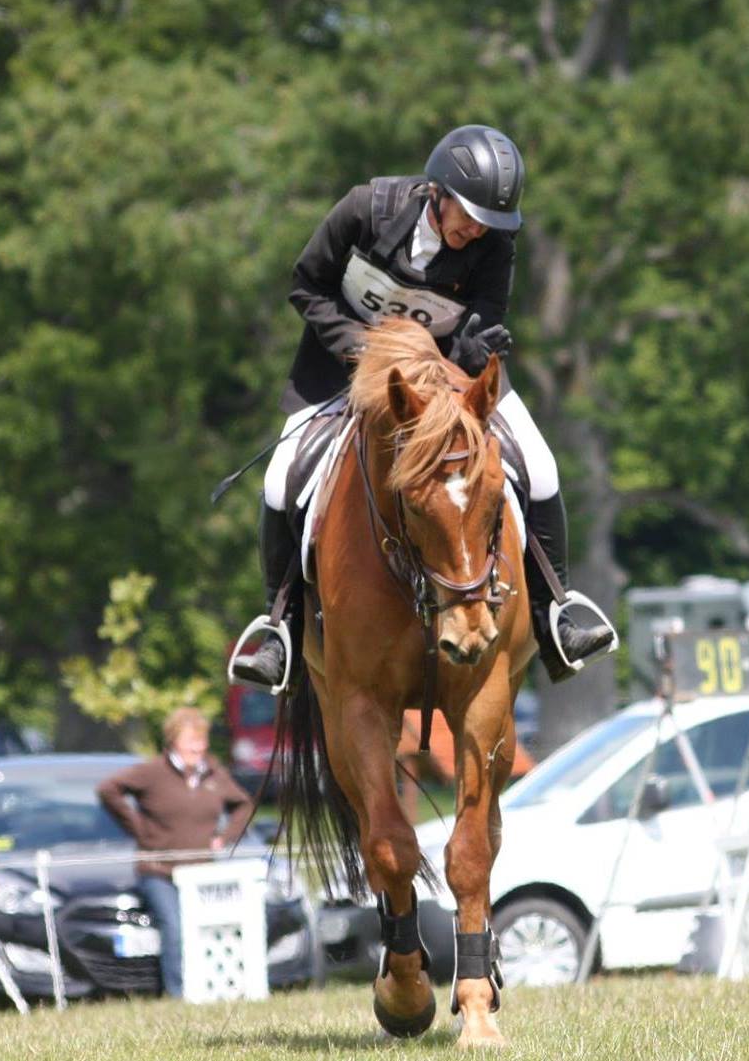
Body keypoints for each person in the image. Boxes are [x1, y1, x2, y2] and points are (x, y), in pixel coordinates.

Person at [231, 123, 616, 690]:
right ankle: (281, 631)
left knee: (540, 467)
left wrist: (478, 346)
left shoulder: (492, 244)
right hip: (343, 371)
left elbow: (480, 320)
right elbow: (306, 285)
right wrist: (360, 347)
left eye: (489, 224)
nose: (476, 231)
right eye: (469, 217)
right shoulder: (365, 209)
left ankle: (553, 613)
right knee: (280, 482)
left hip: (448, 380)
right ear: (437, 194)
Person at [96, 707, 254, 998]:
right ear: (173, 741)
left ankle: (214, 989)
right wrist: (138, 827)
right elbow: (109, 789)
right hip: (159, 871)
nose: (198, 747)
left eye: (201, 740)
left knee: (206, 930)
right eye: (190, 740)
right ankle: (178, 993)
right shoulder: (152, 772)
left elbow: (244, 804)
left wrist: (225, 837)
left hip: (200, 872)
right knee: (175, 926)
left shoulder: (214, 774)